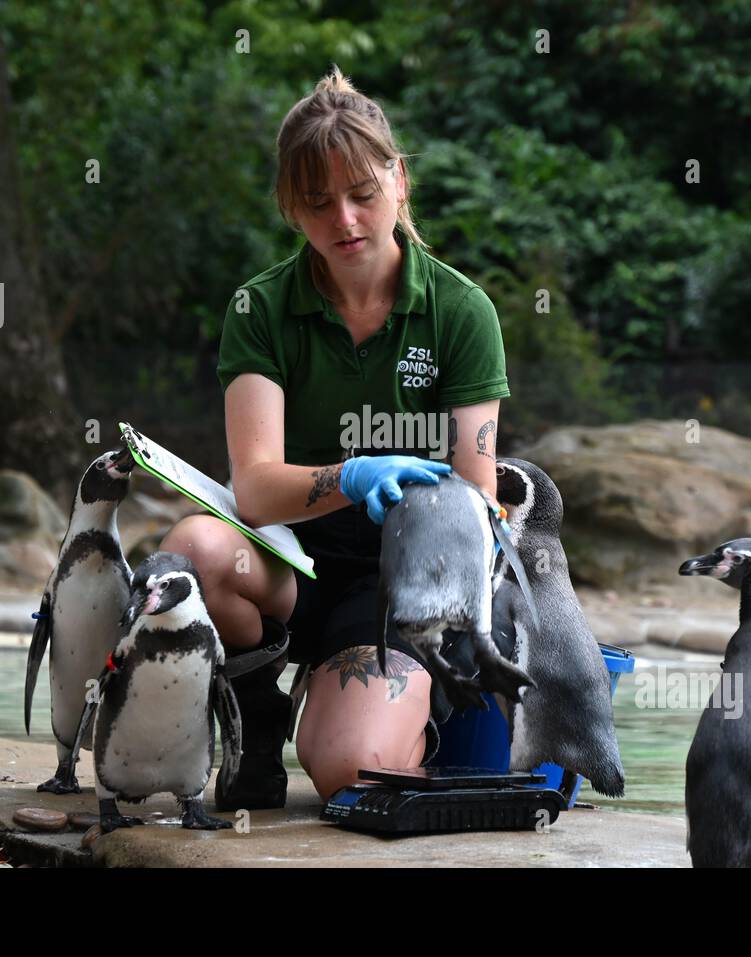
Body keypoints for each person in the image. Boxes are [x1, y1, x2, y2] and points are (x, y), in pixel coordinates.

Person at [159, 65, 509, 808]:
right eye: (319, 204)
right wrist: (349, 474)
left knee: (354, 772)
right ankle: (256, 720)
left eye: (363, 194)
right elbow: (252, 489)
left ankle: (397, 713)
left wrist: (426, 544)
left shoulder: (460, 310)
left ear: (400, 181)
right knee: (193, 550)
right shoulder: (261, 307)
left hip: (396, 584)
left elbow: (477, 499)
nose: (345, 221)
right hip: (290, 562)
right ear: (292, 207)